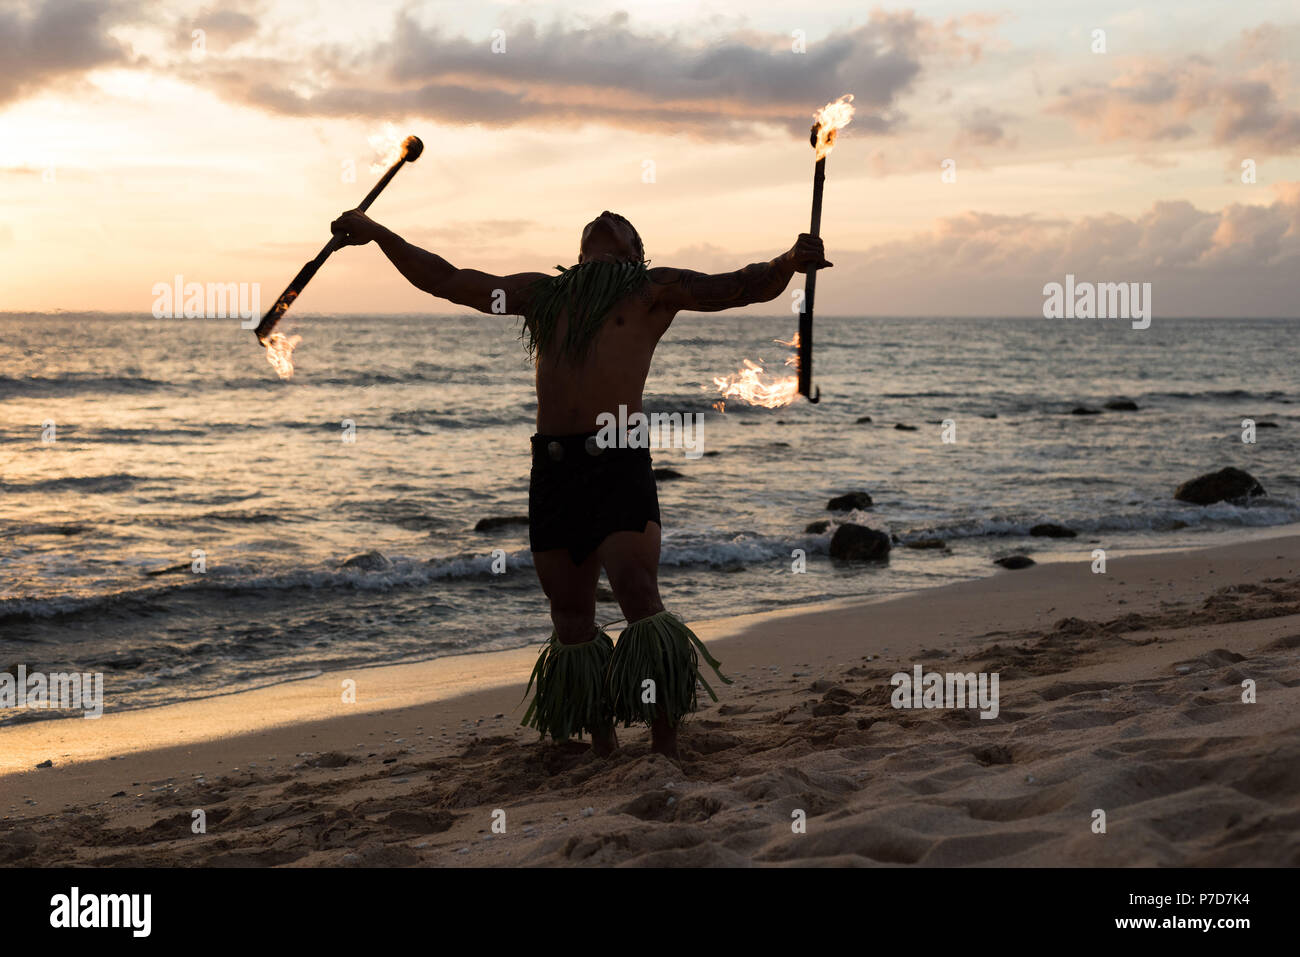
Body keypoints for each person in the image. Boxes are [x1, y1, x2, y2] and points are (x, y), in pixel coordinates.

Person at [330, 208, 831, 757]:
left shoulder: (652, 290)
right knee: (571, 618)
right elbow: (451, 282)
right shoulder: (544, 295)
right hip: (554, 467)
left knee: (638, 595)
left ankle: (665, 744)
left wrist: (789, 261)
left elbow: (736, 288)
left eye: (618, 227)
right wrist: (378, 235)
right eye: (594, 227)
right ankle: (604, 748)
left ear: (635, 252)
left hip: (618, 461)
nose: (604, 219)